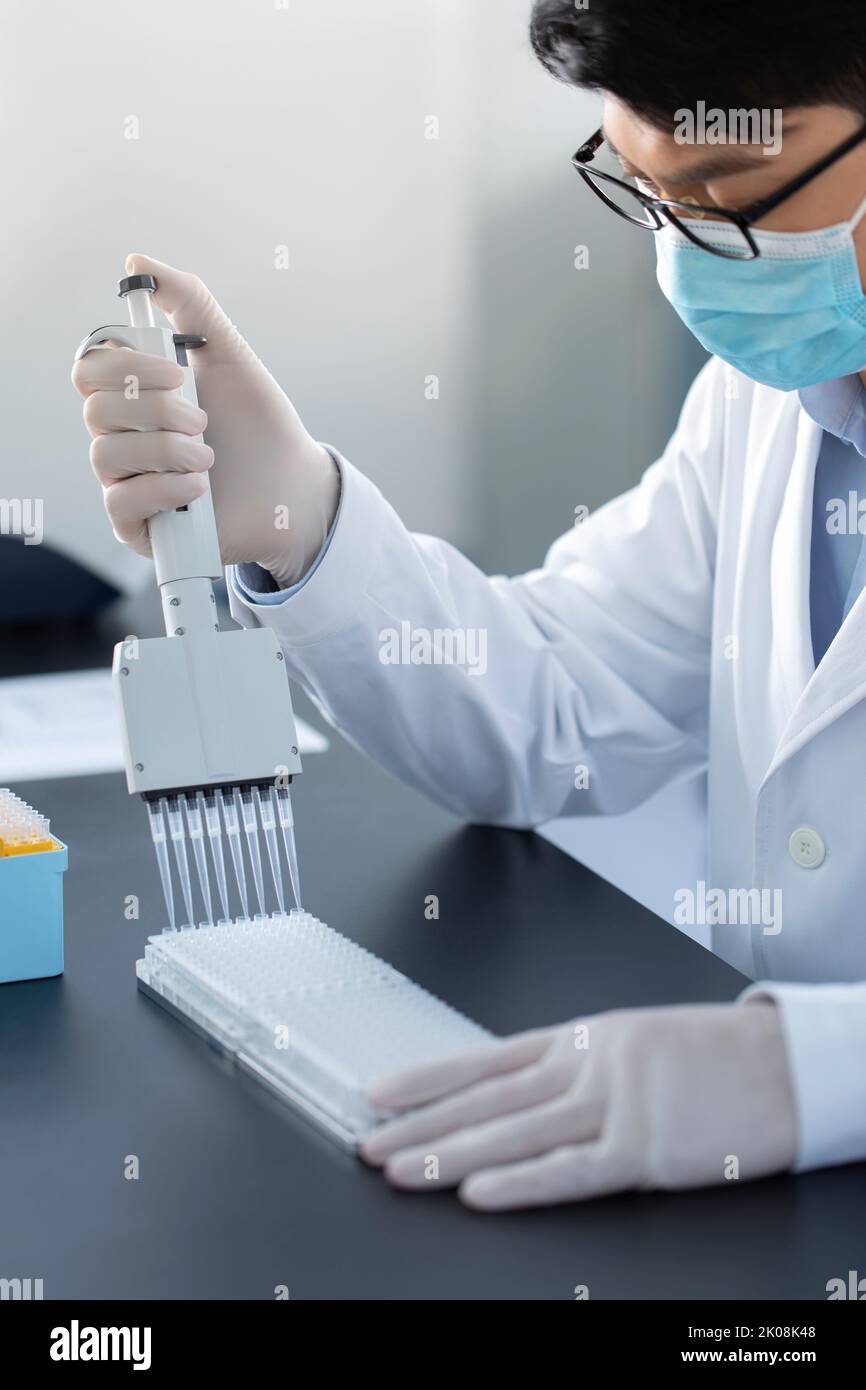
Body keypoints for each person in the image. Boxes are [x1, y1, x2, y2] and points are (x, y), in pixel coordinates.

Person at [72, 0, 866, 1210]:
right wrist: (292, 514)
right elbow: (551, 707)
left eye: (730, 193)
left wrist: (810, 1069)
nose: (693, 257)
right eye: (653, 201)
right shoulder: (768, 407)